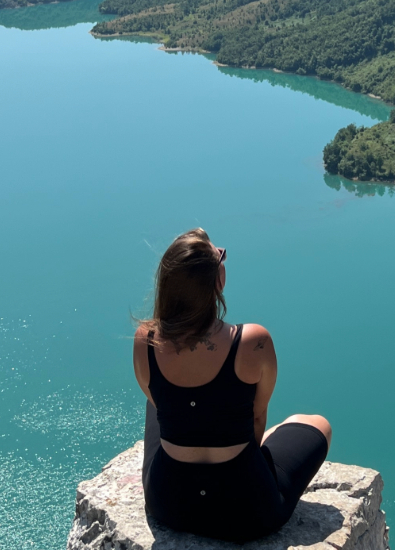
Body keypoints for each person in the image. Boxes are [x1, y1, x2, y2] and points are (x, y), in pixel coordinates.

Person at [132, 228, 331, 542]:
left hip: (169, 503)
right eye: (220, 256)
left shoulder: (147, 339)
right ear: (218, 281)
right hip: (246, 511)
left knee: (159, 402)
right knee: (316, 424)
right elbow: (257, 417)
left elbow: (156, 399)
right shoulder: (253, 341)